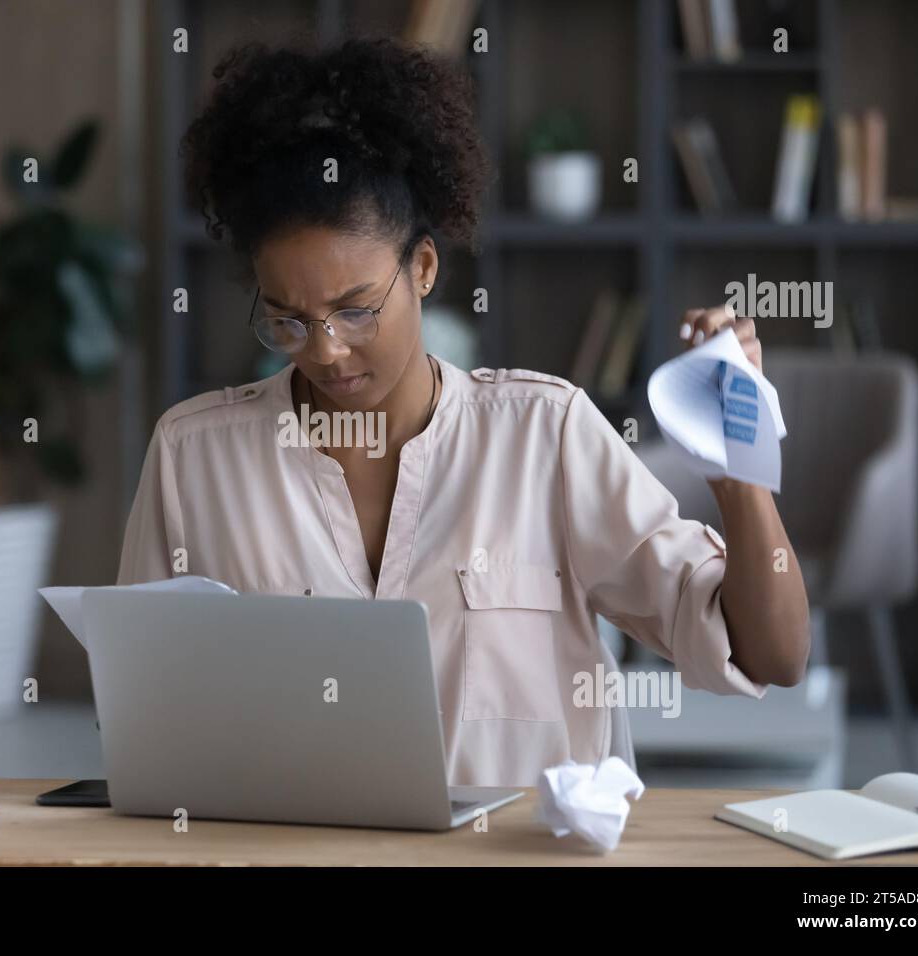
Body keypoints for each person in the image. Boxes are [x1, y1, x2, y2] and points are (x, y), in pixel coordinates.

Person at [118, 36, 809, 787]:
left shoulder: (545, 436)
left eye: (355, 311)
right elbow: (140, 718)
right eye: (287, 318)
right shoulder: (195, 457)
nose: (326, 351)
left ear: (422, 268)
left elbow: (771, 654)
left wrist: (740, 473)